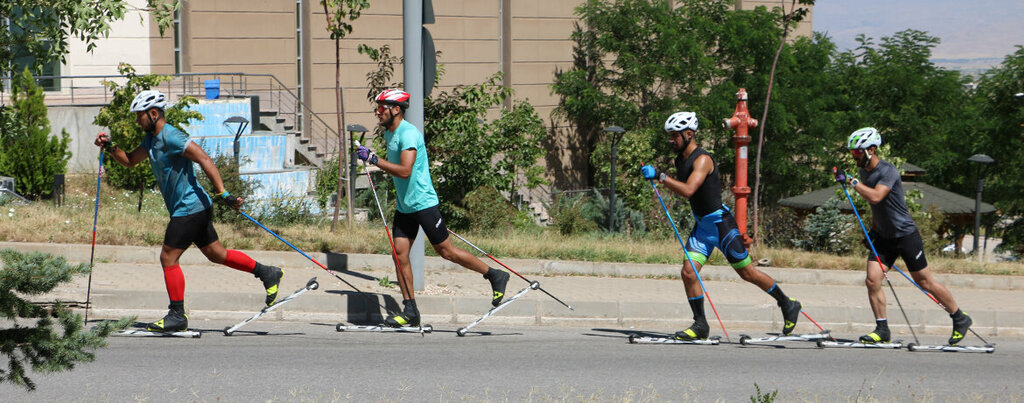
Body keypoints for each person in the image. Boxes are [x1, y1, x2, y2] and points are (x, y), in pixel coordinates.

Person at [94, 90, 283, 332]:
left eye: (139, 115)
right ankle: (268, 273)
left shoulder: (172, 136)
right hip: (195, 207)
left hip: (189, 207)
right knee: (217, 254)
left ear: (153, 113)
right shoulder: (152, 140)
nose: (137, 120)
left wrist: (223, 193)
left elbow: (204, 158)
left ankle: (176, 315)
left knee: (168, 257)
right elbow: (130, 160)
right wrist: (110, 146)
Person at [640, 111, 803, 341]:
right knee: (688, 273)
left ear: (689, 134)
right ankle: (700, 325)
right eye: (670, 136)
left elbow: (688, 191)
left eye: (674, 136)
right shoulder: (680, 160)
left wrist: (660, 176)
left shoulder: (702, 159)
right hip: (703, 227)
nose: (671, 140)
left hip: (720, 225)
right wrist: (661, 178)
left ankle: (788, 303)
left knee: (747, 273)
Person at [356, 89, 509, 327]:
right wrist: (374, 158)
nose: (378, 112)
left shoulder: (408, 134)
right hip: (406, 206)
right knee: (399, 254)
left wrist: (374, 160)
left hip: (423, 204)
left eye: (381, 107)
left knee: (446, 251)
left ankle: (494, 275)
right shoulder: (390, 133)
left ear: (396, 109)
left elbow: (406, 171)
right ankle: (410, 311)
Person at [838, 127, 972, 345]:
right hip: (883, 238)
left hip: (905, 236)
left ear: (871, 150)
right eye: (853, 153)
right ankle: (882, 329)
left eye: (857, 152)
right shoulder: (865, 173)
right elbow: (877, 209)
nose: (855, 157)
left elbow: (876, 197)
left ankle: (960, 317)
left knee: (925, 282)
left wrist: (852, 182)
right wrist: (873, 232)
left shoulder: (887, 171)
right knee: (872, 279)